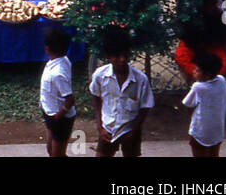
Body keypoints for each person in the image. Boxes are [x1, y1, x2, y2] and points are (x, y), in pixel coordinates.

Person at [89, 27, 154, 158]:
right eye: (117, 56)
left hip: (131, 131)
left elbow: (145, 107)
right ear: (108, 57)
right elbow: (95, 96)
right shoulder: (100, 75)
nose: (122, 59)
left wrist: (134, 131)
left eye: (125, 55)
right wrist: (100, 127)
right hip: (107, 129)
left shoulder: (140, 79)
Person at [183, 52, 226, 157]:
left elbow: (187, 104)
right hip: (217, 130)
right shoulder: (222, 80)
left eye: (197, 70)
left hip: (200, 131)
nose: (193, 72)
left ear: (207, 74)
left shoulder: (198, 87)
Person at [40, 28, 76, 158]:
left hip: (60, 119)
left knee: (57, 154)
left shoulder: (58, 73)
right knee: (51, 149)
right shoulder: (63, 59)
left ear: (47, 48)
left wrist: (57, 117)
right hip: (50, 113)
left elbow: (70, 100)